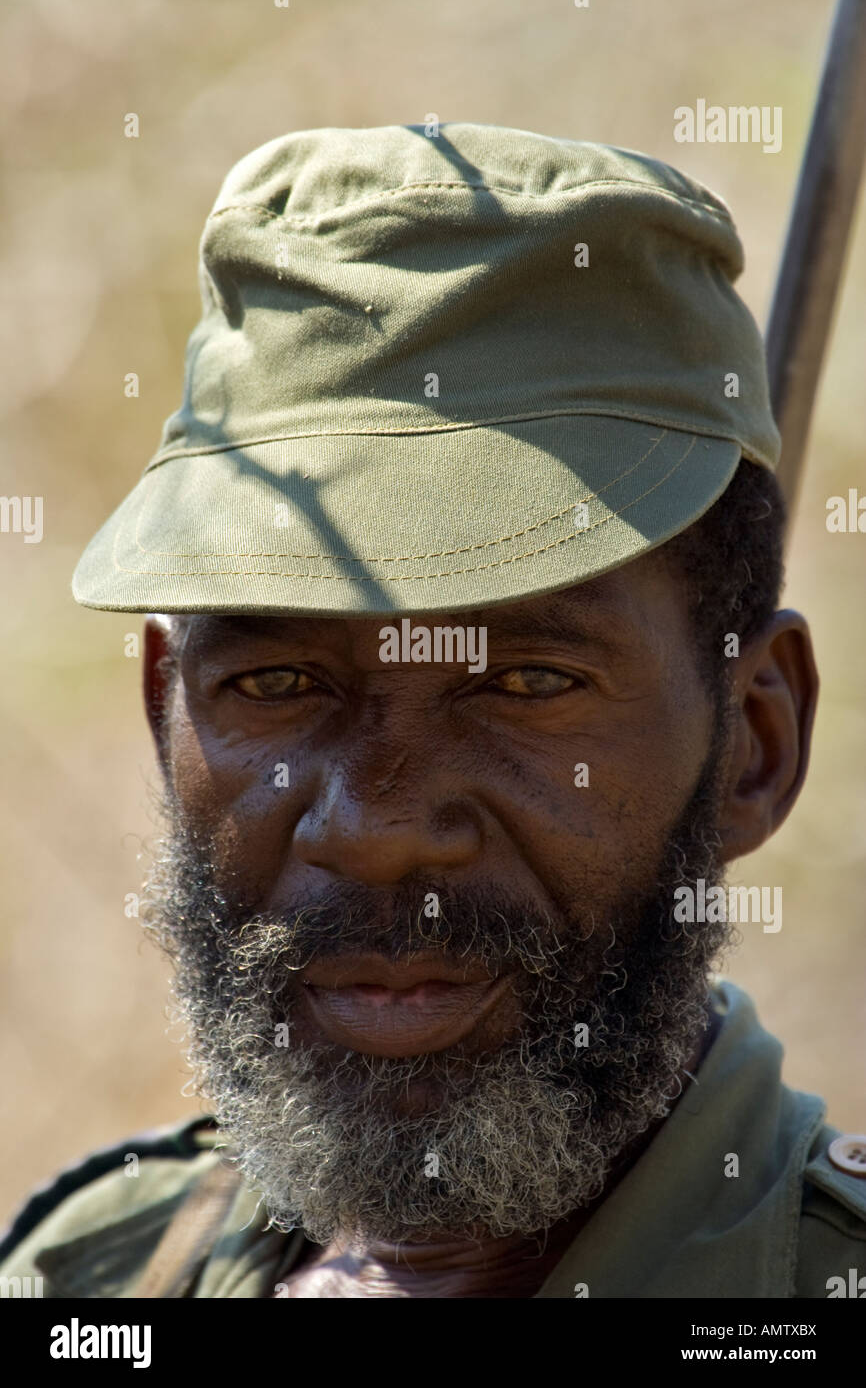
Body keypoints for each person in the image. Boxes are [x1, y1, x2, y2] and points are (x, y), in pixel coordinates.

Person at [2, 122, 864, 1299]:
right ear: (166, 716)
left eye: (525, 683)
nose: (376, 824)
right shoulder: (87, 1280)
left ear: (753, 743)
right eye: (276, 683)